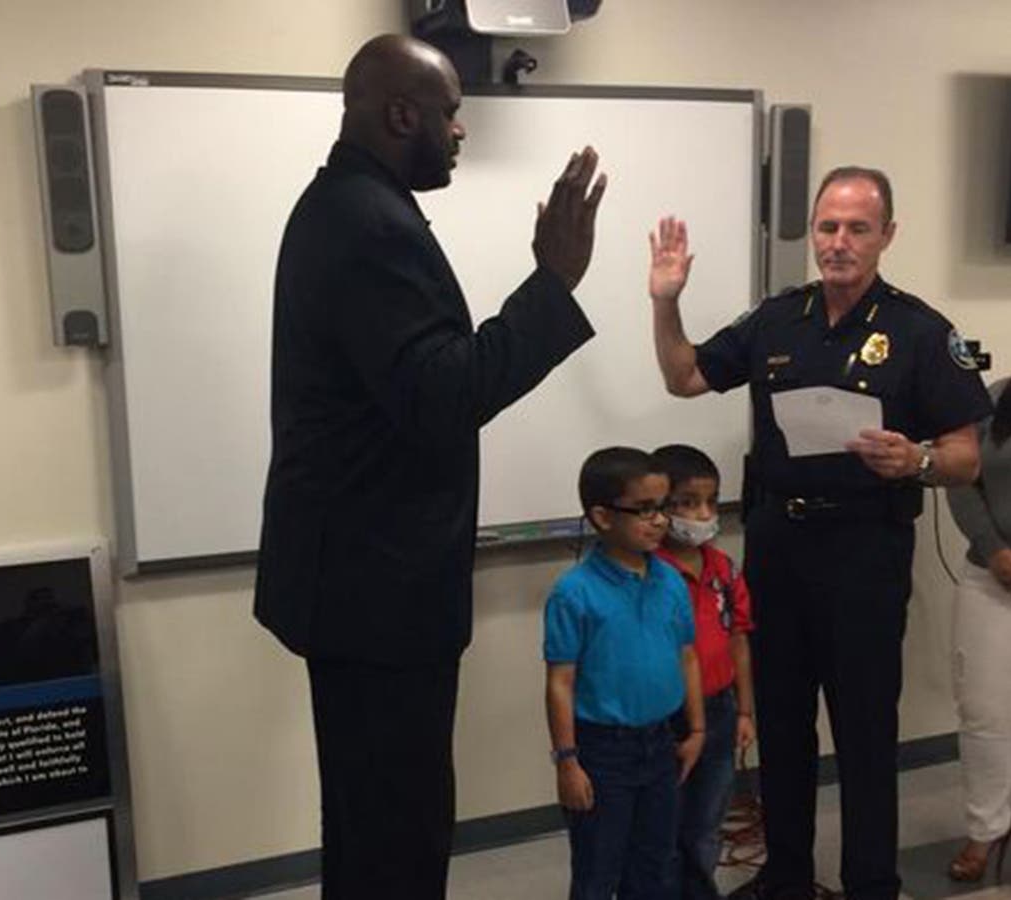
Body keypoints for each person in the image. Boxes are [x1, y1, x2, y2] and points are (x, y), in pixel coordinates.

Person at [253, 33, 607, 900]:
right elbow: (444, 394)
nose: (460, 131)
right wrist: (552, 284)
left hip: (359, 587)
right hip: (376, 595)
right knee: (397, 836)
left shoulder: (353, 205)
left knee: (376, 825)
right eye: (450, 111)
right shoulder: (366, 222)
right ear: (400, 112)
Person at [646, 166, 992, 900]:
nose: (838, 243)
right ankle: (790, 875)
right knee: (781, 718)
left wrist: (917, 458)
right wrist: (665, 304)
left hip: (865, 551)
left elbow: (964, 457)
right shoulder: (778, 317)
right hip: (778, 544)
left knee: (865, 730)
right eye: (828, 227)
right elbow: (683, 377)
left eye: (857, 228)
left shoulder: (920, 331)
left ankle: (871, 882)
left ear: (886, 236)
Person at [545, 446, 706, 900]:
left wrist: (695, 728)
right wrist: (567, 761)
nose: (659, 521)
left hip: (661, 743)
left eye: (663, 507)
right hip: (602, 752)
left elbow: (686, 655)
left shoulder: (670, 579)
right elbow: (560, 681)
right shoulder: (574, 593)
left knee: (655, 867)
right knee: (599, 869)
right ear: (601, 516)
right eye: (644, 510)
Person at [652, 443, 756, 900]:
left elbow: (739, 639)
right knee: (662, 827)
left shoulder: (723, 568)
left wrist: (744, 711)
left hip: (719, 709)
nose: (703, 513)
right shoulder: (649, 571)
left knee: (705, 825)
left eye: (712, 501)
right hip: (665, 718)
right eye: (688, 502)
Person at [945, 375, 1011, 882]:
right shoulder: (994, 400)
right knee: (985, 710)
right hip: (994, 575)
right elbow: (961, 478)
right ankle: (985, 829)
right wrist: (997, 552)